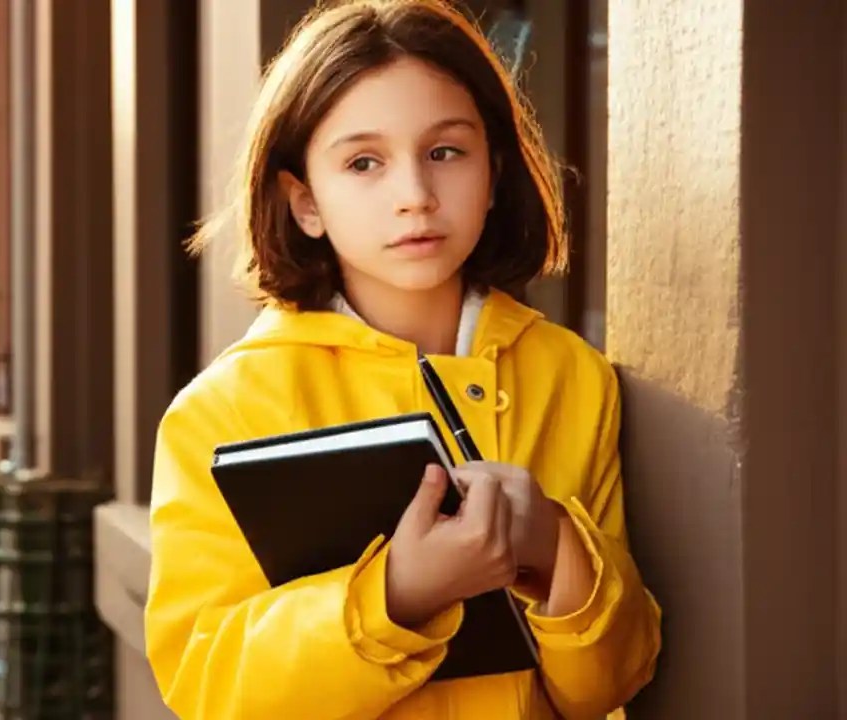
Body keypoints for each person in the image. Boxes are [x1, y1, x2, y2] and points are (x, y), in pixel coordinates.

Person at [143, 2, 662, 718]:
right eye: (364, 163)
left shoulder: (573, 376)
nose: (415, 196)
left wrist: (556, 548)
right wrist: (394, 597)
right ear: (304, 203)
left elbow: (612, 682)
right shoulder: (223, 411)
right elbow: (207, 681)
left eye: (446, 152)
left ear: (494, 168)